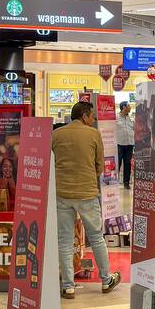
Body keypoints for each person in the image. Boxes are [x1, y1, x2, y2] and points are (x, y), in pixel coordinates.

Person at [53, 101, 121, 297]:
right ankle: (107, 280)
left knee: (65, 241)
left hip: (62, 193)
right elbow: (99, 165)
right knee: (96, 237)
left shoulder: (57, 134)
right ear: (84, 116)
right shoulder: (93, 134)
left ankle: (68, 285)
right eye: (92, 117)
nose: (93, 121)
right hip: (87, 193)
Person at [116, 101, 134, 189]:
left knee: (128, 164)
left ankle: (126, 182)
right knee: (117, 163)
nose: (130, 107)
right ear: (124, 107)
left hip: (130, 144)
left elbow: (133, 128)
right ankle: (114, 182)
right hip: (120, 144)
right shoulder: (116, 118)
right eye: (128, 106)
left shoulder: (130, 118)